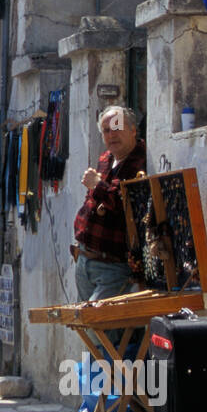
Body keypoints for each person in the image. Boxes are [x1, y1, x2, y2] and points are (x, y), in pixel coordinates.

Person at [72, 105, 146, 302]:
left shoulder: (140, 161)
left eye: (117, 128)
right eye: (106, 130)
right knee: (86, 324)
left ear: (132, 130)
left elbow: (124, 203)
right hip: (85, 259)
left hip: (113, 265)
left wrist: (97, 185)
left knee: (97, 326)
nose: (112, 135)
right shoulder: (106, 158)